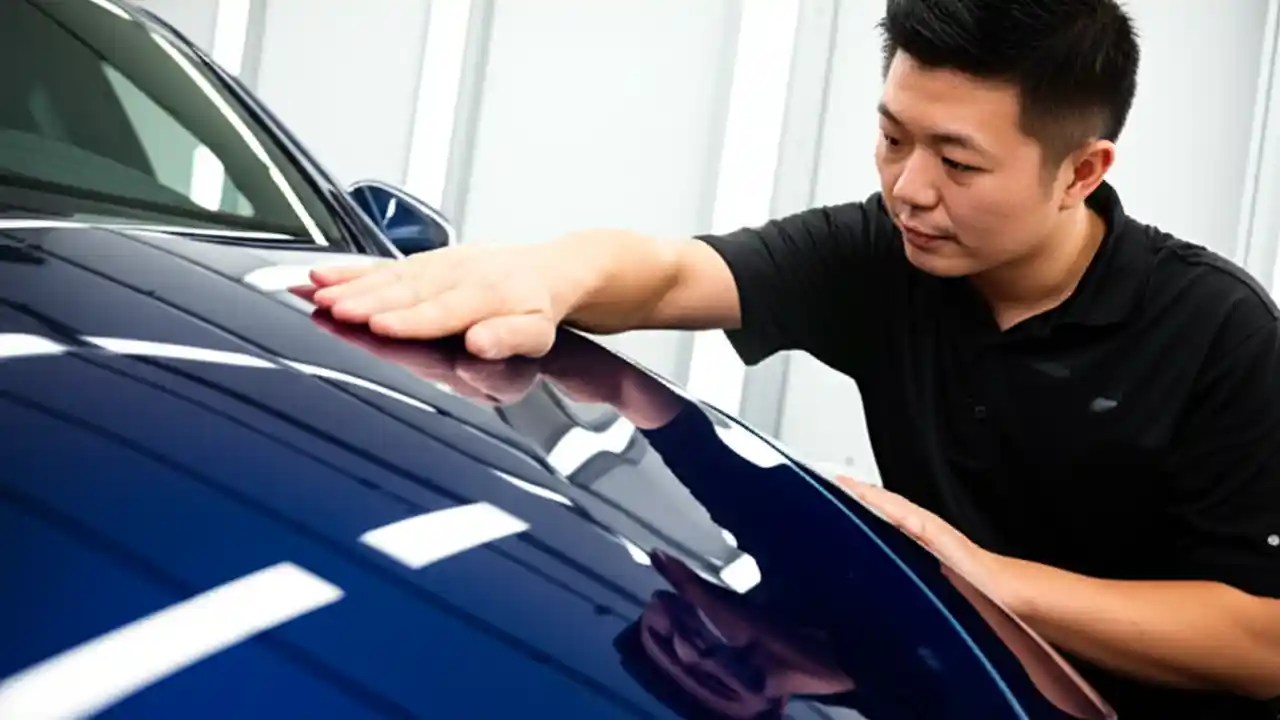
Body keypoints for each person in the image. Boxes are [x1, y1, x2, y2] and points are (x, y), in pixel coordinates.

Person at [306, 0, 1280, 716]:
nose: (907, 188)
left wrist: (969, 574)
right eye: (890, 137)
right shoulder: (883, 254)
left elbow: (1261, 642)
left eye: (958, 161)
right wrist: (546, 272)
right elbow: (666, 278)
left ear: (1080, 170)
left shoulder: (1217, 332)